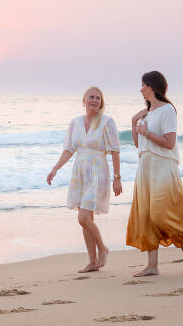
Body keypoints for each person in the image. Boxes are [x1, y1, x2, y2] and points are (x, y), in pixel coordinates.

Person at [126, 71, 183, 276]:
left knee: (162, 212)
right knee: (146, 214)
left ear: (152, 86)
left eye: (143, 85)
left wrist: (147, 133)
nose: (140, 89)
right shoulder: (146, 113)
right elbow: (139, 145)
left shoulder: (167, 110)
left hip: (162, 165)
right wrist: (134, 123)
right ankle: (152, 265)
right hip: (145, 164)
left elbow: (169, 143)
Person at [47, 87, 122, 273]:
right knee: (85, 218)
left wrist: (117, 178)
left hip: (98, 172)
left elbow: (115, 151)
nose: (95, 100)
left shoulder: (107, 122)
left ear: (101, 103)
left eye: (98, 98)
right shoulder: (75, 122)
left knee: (83, 218)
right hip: (80, 172)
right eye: (91, 97)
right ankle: (92, 261)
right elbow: (69, 149)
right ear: (84, 100)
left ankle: (103, 248)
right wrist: (55, 168)